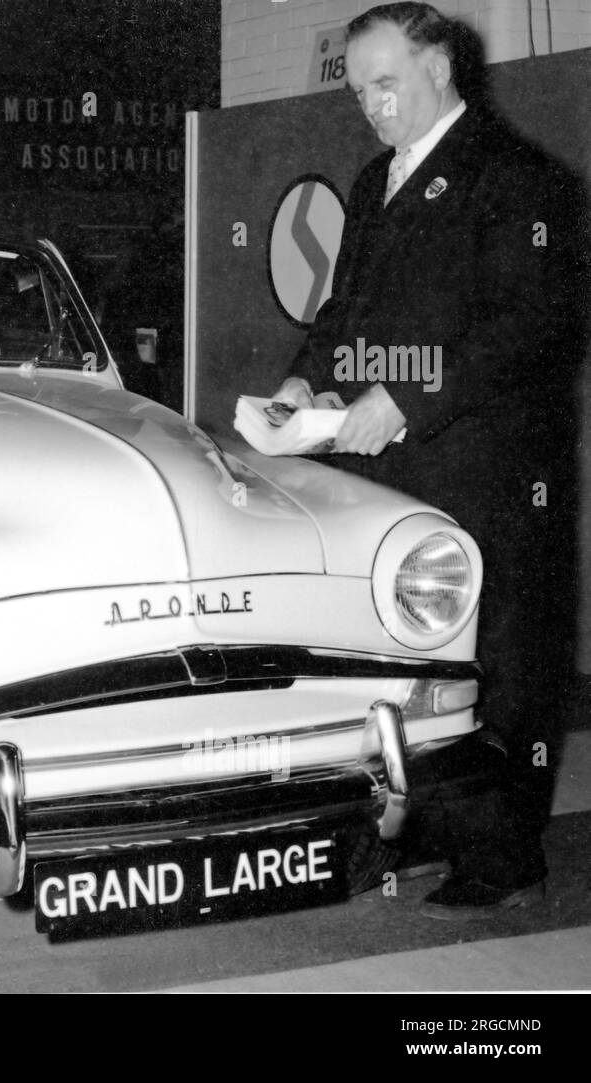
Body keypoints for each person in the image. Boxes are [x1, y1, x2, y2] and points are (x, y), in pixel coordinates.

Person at [271, 3, 587, 917]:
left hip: (481, 468)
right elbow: (343, 314)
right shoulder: (376, 182)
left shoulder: (521, 180)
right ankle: (393, 829)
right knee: (381, 655)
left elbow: (529, 328)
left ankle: (502, 853)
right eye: (359, 88)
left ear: (441, 67)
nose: (371, 105)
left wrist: (404, 399)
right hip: (384, 476)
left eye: (387, 83)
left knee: (490, 662)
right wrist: (304, 384)